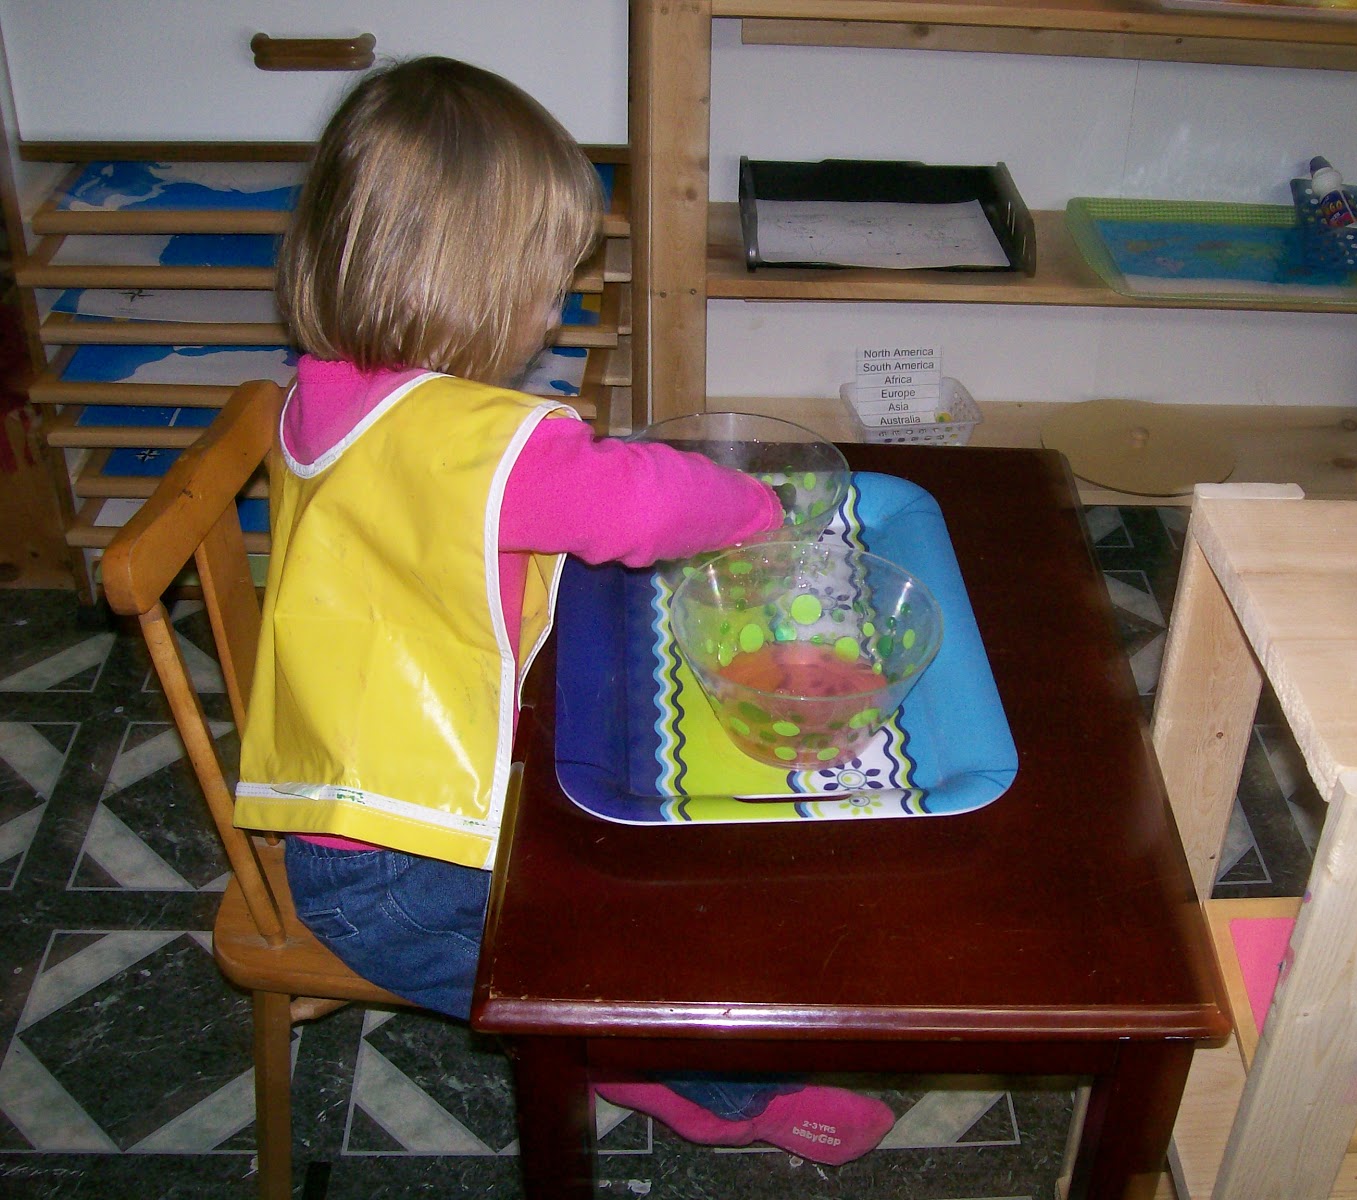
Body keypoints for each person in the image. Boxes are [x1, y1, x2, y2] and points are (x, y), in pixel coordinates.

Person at [233, 55, 892, 1165]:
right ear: (469, 282)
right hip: (407, 880)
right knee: (618, 967)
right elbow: (632, 500)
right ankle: (710, 1090)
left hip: (343, 823)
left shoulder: (325, 386)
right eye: (545, 280)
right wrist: (748, 509)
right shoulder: (488, 442)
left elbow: (535, 495)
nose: (556, 307)